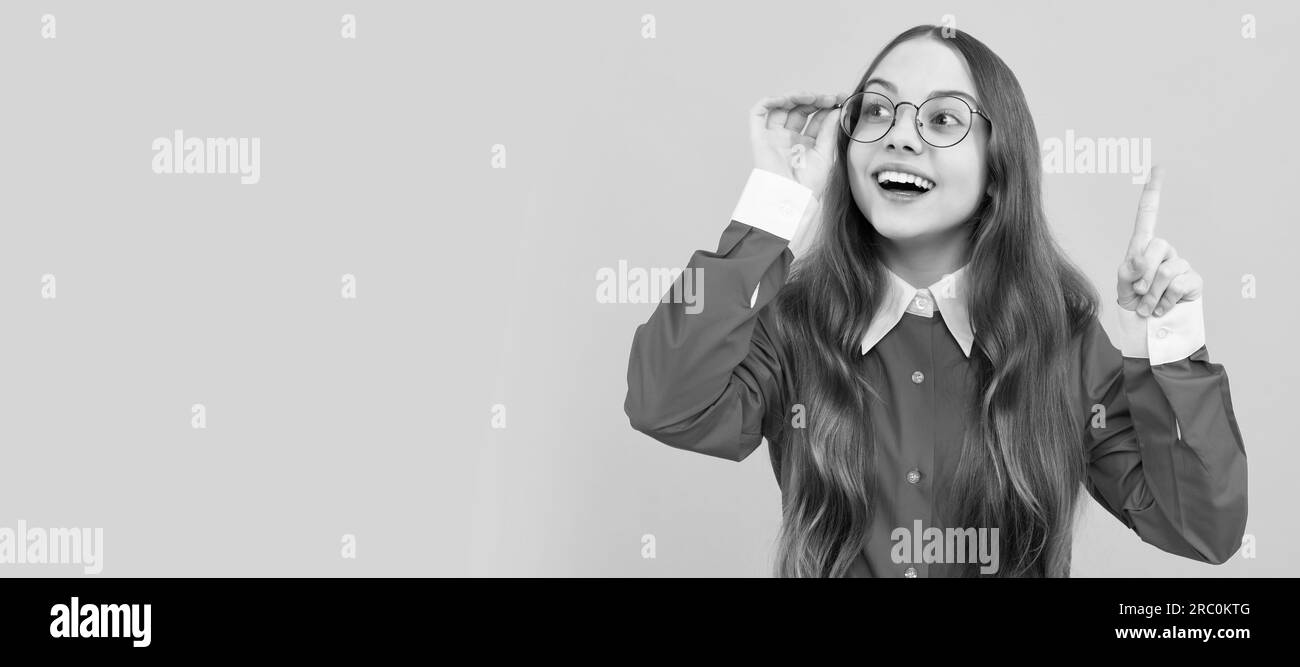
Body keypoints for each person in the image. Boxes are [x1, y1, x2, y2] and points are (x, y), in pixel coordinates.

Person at [623, 24, 1247, 577]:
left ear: (997, 166)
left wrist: (1166, 348)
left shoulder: (1062, 341)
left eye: (943, 120)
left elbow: (1199, 530)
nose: (900, 137)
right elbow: (669, 406)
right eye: (878, 112)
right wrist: (772, 207)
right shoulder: (796, 323)